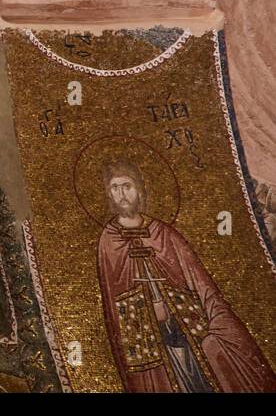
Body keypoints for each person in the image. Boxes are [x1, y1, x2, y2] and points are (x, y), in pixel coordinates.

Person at [95, 160, 276, 392]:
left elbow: (201, 284)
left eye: (127, 186)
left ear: (139, 190)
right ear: (109, 194)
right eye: (115, 187)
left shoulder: (164, 233)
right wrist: (149, 309)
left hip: (189, 328)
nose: (122, 194)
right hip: (146, 340)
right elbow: (112, 303)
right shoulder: (108, 241)